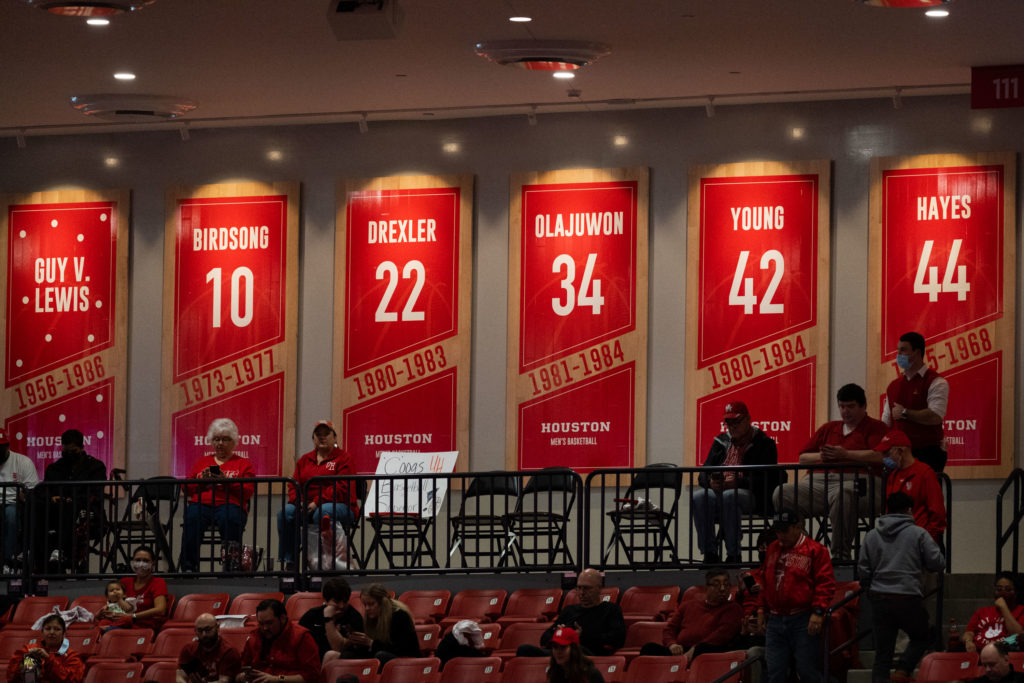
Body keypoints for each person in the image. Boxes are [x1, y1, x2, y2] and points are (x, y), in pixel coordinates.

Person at [773, 383, 889, 561]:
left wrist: (846, 455)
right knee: (783, 492)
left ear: (863, 406)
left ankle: (840, 556)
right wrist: (823, 456)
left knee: (843, 494)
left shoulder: (876, 427)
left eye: (850, 406)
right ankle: (803, 550)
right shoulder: (829, 428)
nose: (845, 411)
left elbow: (881, 456)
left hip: (859, 483)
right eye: (842, 406)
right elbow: (803, 458)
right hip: (819, 482)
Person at [858, 491, 946, 683]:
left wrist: (869, 588)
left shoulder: (873, 535)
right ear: (909, 510)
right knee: (923, 636)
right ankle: (903, 669)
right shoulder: (918, 533)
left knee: (882, 654)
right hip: (907, 596)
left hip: (880, 597)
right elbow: (937, 562)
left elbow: (863, 568)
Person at [693, 401, 779, 564]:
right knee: (699, 497)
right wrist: (710, 482)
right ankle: (709, 553)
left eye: (736, 422)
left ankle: (733, 554)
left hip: (750, 494)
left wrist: (738, 482)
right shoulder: (720, 441)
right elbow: (702, 474)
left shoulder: (764, 443)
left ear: (748, 419)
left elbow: (768, 479)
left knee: (730, 496)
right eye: (728, 423)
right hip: (720, 490)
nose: (732, 427)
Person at [756, 510, 835, 683]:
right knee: (774, 671)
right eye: (777, 531)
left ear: (798, 527)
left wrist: (818, 612)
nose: (780, 535)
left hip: (803, 618)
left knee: (807, 670)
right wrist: (761, 610)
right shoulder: (772, 548)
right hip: (776, 619)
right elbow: (765, 581)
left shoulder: (816, 550)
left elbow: (825, 584)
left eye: (784, 530)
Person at [277, 421, 358, 571]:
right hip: (307, 505)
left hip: (341, 506)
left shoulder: (344, 458)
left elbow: (341, 488)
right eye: (318, 434)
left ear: (335, 437)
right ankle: (290, 562)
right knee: (285, 513)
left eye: (326, 434)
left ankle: (328, 563)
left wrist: (316, 502)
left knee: (322, 512)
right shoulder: (304, 460)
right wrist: (299, 502)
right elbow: (294, 485)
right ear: (313, 438)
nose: (322, 437)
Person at [181, 418, 255, 572]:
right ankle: (188, 567)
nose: (220, 443)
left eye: (225, 439)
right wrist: (202, 482)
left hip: (230, 504)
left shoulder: (243, 463)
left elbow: (248, 491)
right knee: (192, 517)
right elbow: (186, 488)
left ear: (233, 442)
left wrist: (226, 481)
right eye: (216, 439)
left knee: (230, 517)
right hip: (202, 504)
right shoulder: (202, 462)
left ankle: (231, 566)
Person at [34, 429, 106, 572]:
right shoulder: (54, 468)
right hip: (55, 511)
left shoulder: (95, 467)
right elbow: (45, 490)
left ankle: (61, 551)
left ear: (81, 448)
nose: (69, 455)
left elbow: (96, 493)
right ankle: (34, 555)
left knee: (69, 506)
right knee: (37, 504)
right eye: (66, 451)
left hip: (85, 510)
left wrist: (71, 500)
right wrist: (52, 498)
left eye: (73, 451)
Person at [882, 331, 949, 472]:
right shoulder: (893, 386)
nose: (898, 355)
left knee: (924, 493)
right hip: (897, 454)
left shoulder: (936, 381)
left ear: (917, 352)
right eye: (897, 350)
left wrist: (905, 413)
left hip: (927, 453)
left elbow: (935, 417)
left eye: (903, 350)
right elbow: (886, 421)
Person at [640, 570, 743, 660]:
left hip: (709, 650)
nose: (722, 589)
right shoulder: (688, 605)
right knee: (648, 648)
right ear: (707, 588)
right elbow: (670, 629)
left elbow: (722, 635)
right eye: (717, 584)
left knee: (703, 649)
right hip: (681, 649)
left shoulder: (733, 608)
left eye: (726, 584)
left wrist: (695, 648)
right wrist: (672, 644)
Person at [522, 568, 625, 657]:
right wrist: (560, 633)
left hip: (586, 653)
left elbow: (617, 638)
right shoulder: (569, 610)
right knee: (525, 650)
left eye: (587, 588)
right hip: (562, 652)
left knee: (574, 652)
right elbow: (545, 638)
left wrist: (582, 636)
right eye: (579, 588)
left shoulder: (611, 610)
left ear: (599, 589)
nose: (582, 593)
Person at [876, 430, 947, 541]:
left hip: (919, 540)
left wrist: (926, 542)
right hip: (897, 541)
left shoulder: (925, 474)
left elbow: (937, 514)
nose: (884, 458)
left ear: (900, 451)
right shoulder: (892, 477)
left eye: (886, 453)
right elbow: (888, 513)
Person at [237, 599, 319, 683]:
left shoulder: (302, 637)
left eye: (269, 623)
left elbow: (312, 676)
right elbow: (240, 670)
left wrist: (278, 679)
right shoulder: (254, 637)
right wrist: (242, 677)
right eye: (261, 624)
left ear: (282, 618)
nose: (265, 628)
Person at [339, 584, 418, 662]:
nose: (367, 608)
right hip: (380, 655)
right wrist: (358, 643)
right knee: (347, 655)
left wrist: (371, 643)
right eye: (365, 605)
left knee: (381, 656)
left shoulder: (400, 616)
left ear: (382, 603)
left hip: (404, 661)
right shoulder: (372, 617)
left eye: (371, 604)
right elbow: (371, 649)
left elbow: (401, 649)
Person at [298, 577, 364, 661]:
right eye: (336, 601)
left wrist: (328, 619)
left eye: (345, 601)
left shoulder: (354, 616)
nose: (342, 606)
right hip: (314, 661)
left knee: (332, 655)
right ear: (326, 600)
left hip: (341, 664)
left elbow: (338, 648)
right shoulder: (312, 615)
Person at [5, 613, 85, 683]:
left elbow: (73, 680)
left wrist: (48, 659)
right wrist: (22, 665)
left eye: (57, 629)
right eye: (48, 629)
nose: (52, 632)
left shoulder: (72, 656)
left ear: (64, 633)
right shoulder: (28, 650)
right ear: (42, 632)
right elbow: (11, 678)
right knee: (30, 659)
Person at [0, 428, 38, 575]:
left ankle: (8, 561)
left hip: (14, 504)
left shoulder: (22, 462)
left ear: (7, 446)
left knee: (10, 514)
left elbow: (32, 492)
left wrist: (24, 495)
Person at [963, 573, 1024, 653]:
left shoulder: (1021, 610)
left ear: (1016, 593)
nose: (1003, 592)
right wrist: (968, 641)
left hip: (1003, 653)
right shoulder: (982, 611)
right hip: (978, 651)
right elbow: (969, 632)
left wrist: (1004, 608)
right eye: (999, 589)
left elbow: (1018, 637)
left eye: (1008, 589)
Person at [176, 613, 242, 683]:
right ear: (195, 631)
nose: (204, 634)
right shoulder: (189, 650)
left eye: (208, 629)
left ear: (217, 627)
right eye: (200, 631)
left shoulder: (229, 651)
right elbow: (180, 677)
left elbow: (224, 681)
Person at [120, 546, 169, 631]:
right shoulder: (125, 582)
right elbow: (114, 601)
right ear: (133, 563)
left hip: (146, 626)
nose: (141, 564)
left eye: (146, 561)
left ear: (153, 564)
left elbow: (161, 610)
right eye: (138, 560)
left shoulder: (158, 582)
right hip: (124, 623)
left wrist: (133, 616)